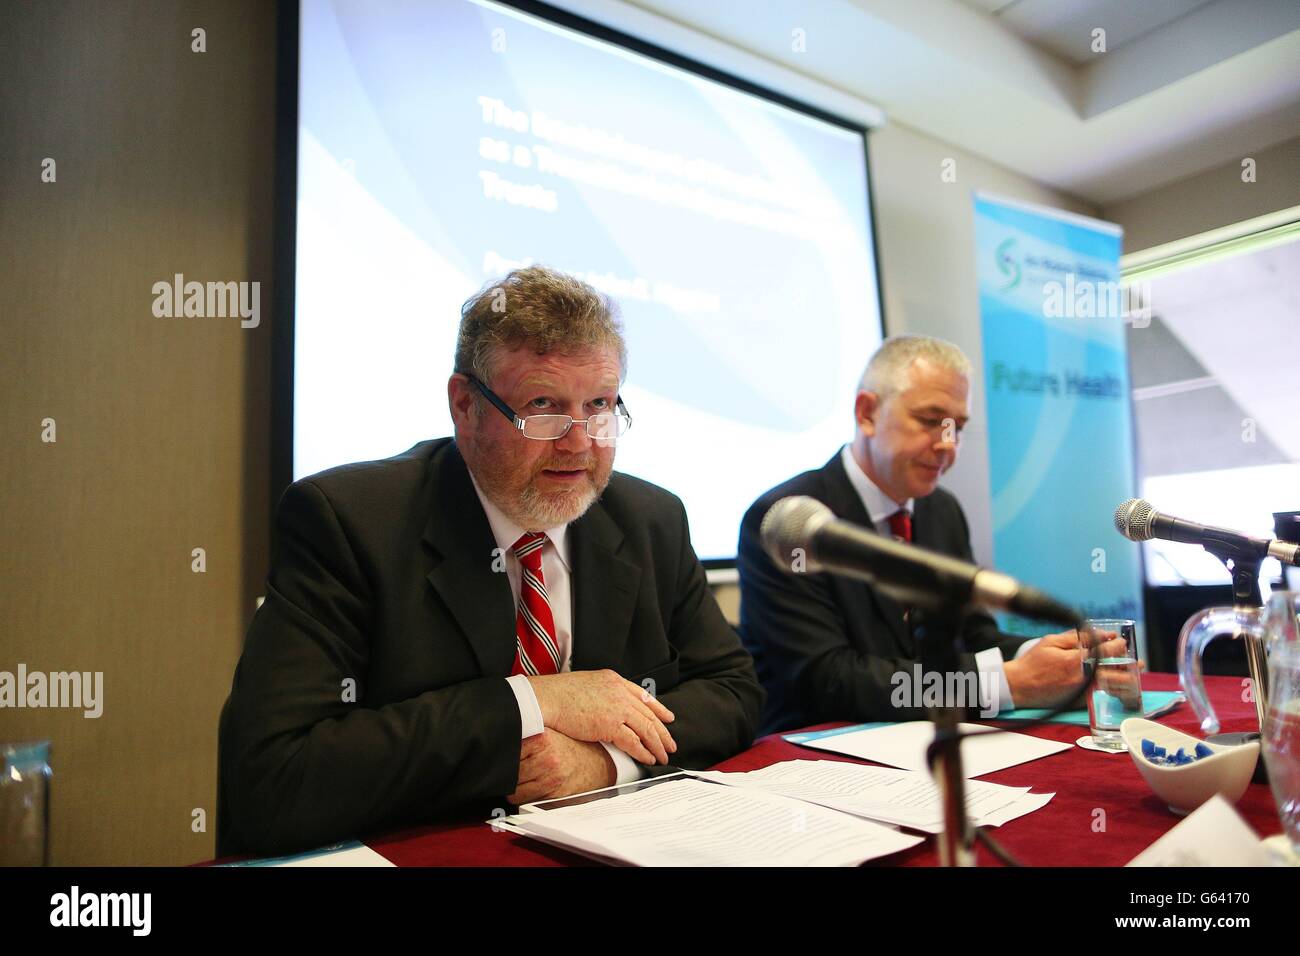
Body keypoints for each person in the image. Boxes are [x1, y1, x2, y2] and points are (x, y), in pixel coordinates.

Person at [218, 266, 762, 855]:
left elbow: (733, 691)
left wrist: (603, 761)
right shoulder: (347, 522)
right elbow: (272, 777)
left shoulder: (650, 517)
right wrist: (533, 701)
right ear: (464, 405)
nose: (579, 442)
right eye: (543, 405)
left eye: (600, 405)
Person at [737, 334, 1112, 735]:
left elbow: (970, 632)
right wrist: (1007, 683)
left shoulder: (940, 508)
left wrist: (1044, 658)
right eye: (931, 421)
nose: (948, 445)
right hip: (818, 755)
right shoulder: (791, 519)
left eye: (958, 427)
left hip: (926, 739)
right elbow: (830, 679)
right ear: (867, 412)